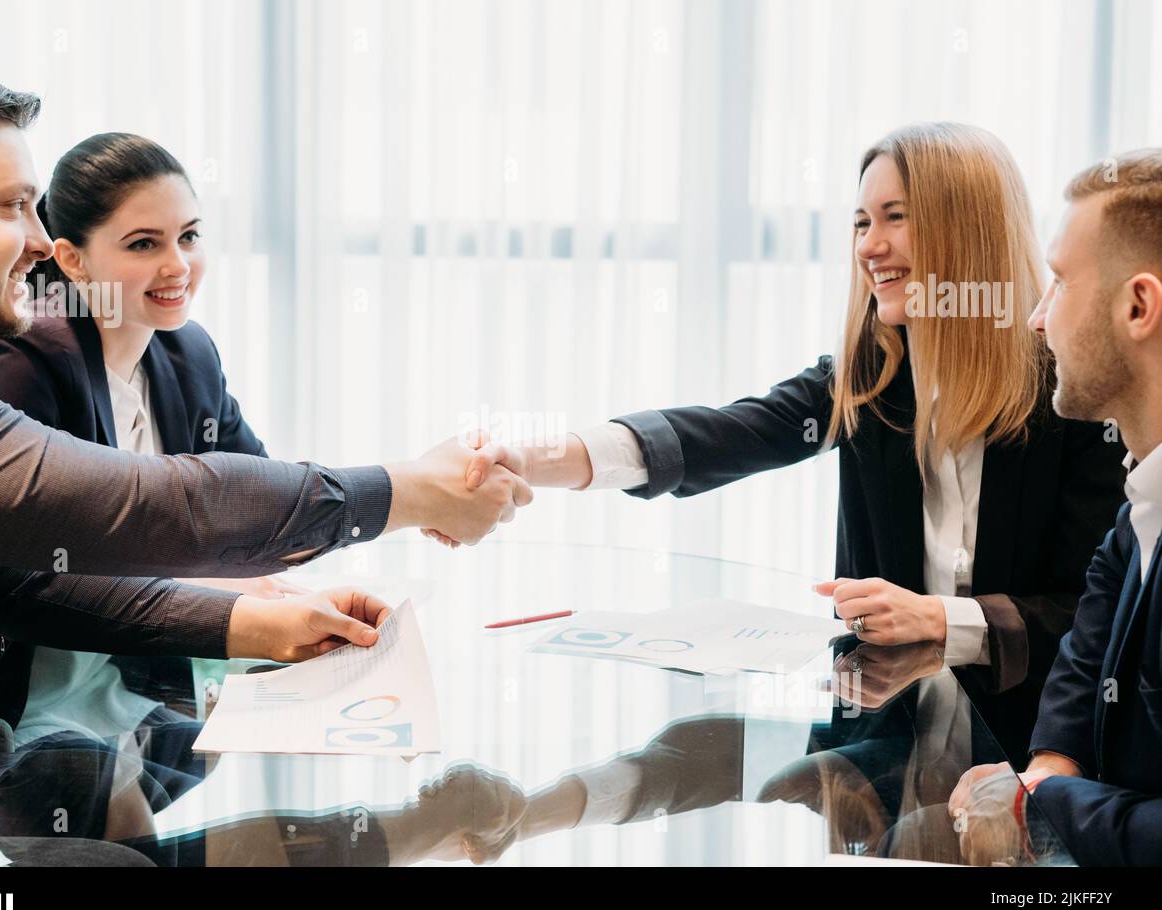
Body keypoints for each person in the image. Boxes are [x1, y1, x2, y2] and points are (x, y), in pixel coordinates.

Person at [0, 62, 528, 791]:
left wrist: (252, 623)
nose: (38, 240)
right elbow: (154, 504)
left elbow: (7, 583)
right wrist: (410, 492)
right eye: (12, 207)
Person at [458, 123, 1126, 817]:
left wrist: (941, 618)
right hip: (878, 762)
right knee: (689, 753)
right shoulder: (871, 381)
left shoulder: (1071, 397)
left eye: (896, 217)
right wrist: (532, 454)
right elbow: (721, 434)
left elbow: (1092, 615)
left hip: (1029, 771)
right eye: (862, 221)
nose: (869, 245)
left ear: (969, 229)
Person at [949, 148, 1162, 866]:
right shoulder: (1142, 497)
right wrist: (1052, 765)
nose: (1038, 321)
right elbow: (1089, 644)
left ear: (1139, 306)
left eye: (1060, 284)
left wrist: (1036, 799)